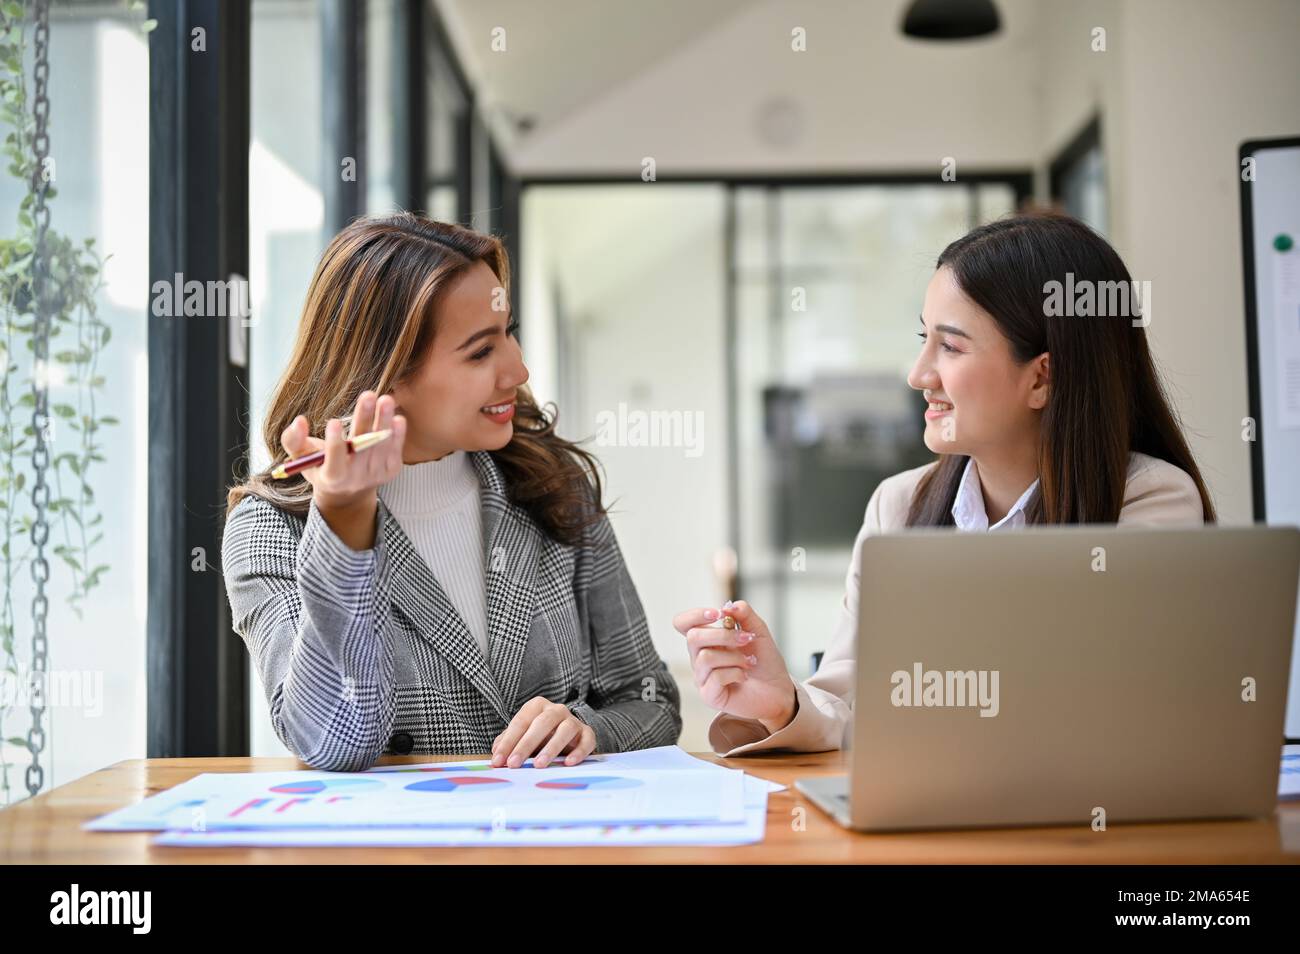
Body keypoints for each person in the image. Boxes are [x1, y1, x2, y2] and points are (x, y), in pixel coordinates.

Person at [674, 211, 1216, 757]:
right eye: (923, 338)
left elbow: (1118, 715)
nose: (918, 374)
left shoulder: (1150, 500)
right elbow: (848, 709)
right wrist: (783, 703)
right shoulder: (899, 505)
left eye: (951, 347)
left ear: (1042, 377)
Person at [222, 213, 681, 772]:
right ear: (385, 374)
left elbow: (651, 697)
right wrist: (345, 525)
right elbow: (333, 742)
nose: (517, 368)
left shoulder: (551, 483)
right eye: (480, 351)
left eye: (508, 332)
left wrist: (589, 730)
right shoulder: (270, 529)